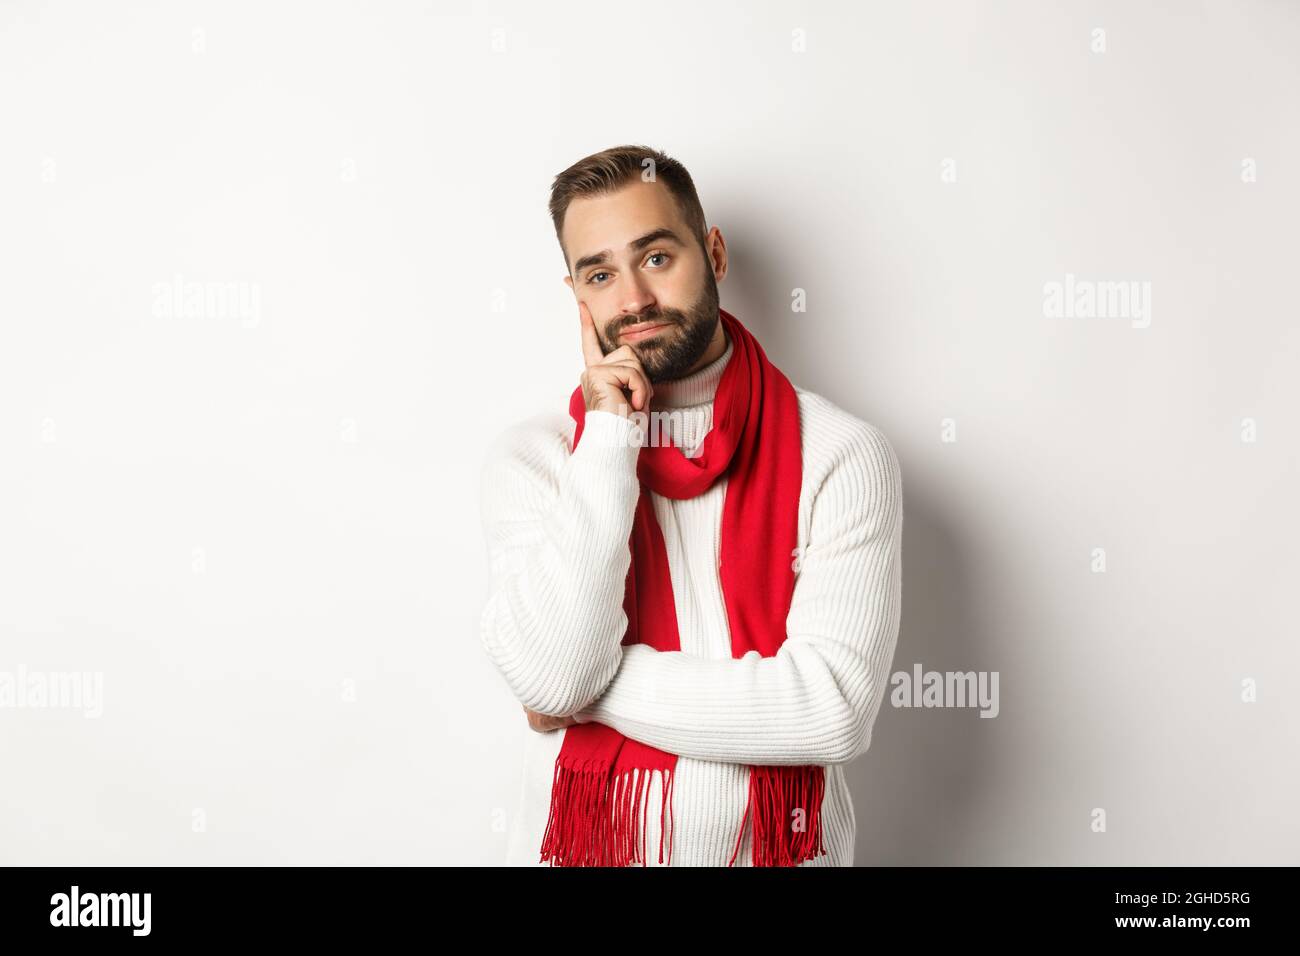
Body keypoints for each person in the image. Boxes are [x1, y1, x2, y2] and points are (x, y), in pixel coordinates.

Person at [477, 144, 903, 866]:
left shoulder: (841, 454)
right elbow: (553, 674)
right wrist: (611, 435)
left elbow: (830, 712)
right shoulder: (538, 457)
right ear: (576, 293)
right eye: (601, 274)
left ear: (714, 252)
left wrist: (580, 687)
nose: (633, 300)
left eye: (656, 258)